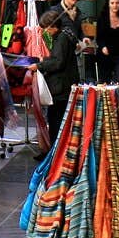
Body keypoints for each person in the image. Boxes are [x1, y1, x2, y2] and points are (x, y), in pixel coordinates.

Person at [36, 8, 79, 142]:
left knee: (55, 119)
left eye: (47, 28)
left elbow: (58, 62)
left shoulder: (61, 39)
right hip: (65, 84)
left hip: (60, 86)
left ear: (54, 26)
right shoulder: (65, 36)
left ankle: (55, 150)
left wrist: (39, 65)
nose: (45, 31)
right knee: (59, 118)